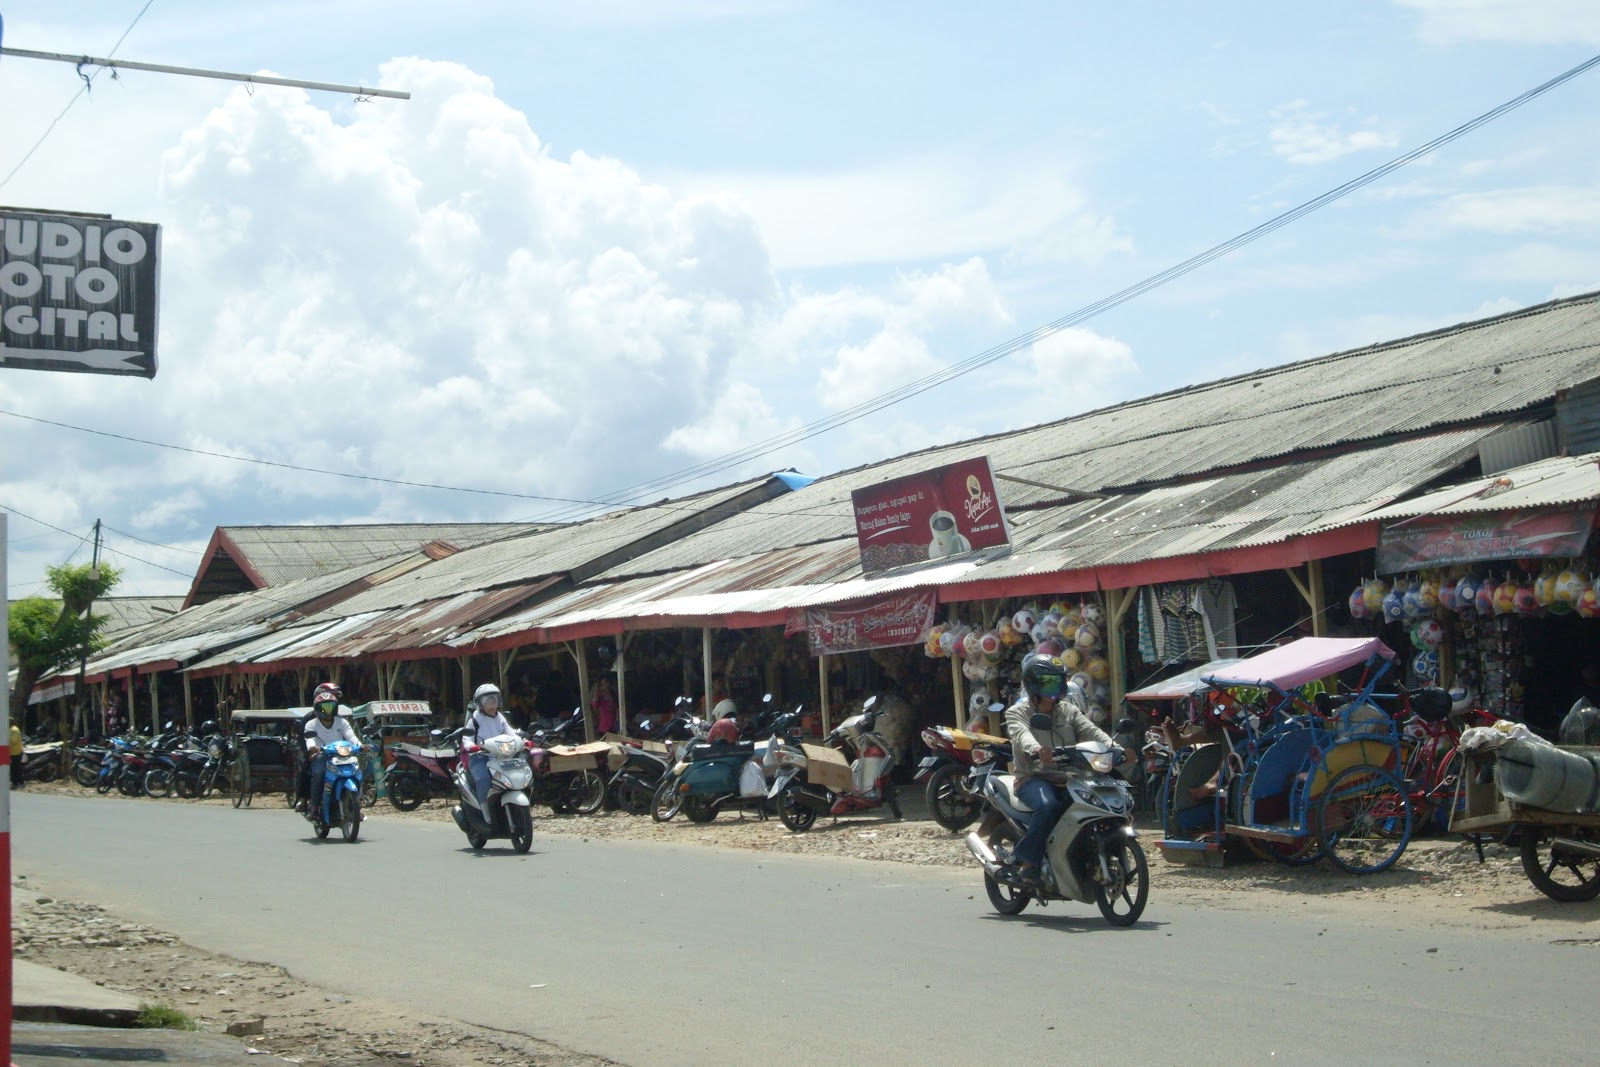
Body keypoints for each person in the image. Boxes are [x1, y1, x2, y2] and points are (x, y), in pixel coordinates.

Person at [1000, 652, 1124, 888]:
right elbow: (1020, 734)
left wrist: (1116, 747)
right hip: (1033, 779)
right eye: (1049, 682)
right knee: (1049, 807)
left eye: (1059, 681)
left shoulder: (1068, 711)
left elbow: (1092, 731)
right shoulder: (1018, 712)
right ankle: (1028, 864)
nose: (1055, 688)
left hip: (1069, 776)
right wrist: (1036, 749)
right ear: (1033, 684)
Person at [301, 683, 359, 820]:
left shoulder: (342, 722)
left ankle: (356, 804)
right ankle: (314, 807)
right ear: (317, 709)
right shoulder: (311, 724)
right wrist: (312, 748)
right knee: (319, 773)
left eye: (331, 707)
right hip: (322, 757)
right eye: (324, 707)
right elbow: (310, 740)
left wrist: (361, 746)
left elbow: (351, 737)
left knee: (356, 772)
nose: (328, 711)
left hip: (341, 756)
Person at [465, 683, 517, 818]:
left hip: (500, 756)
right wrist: (472, 746)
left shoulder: (500, 717)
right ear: (480, 704)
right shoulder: (475, 720)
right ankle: (485, 812)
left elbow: (510, 732)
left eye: (494, 700)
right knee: (483, 779)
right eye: (488, 701)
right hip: (480, 757)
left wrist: (522, 741)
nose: (492, 704)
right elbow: (467, 738)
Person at [9, 722, 24, 790]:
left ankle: (18, 782)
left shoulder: (15, 730)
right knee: (13, 768)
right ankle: (15, 782)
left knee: (16, 768)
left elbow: (14, 740)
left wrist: (6, 737)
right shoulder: (9, 729)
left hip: (16, 752)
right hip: (10, 752)